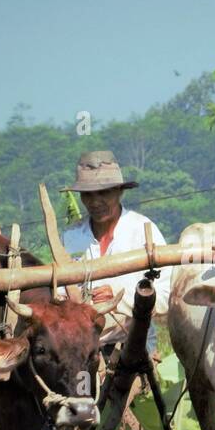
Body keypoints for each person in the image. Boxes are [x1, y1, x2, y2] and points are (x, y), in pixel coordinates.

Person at [60, 150, 170, 351]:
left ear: (119, 191)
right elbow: (58, 294)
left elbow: (165, 296)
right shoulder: (71, 236)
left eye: (103, 192)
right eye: (88, 194)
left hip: (133, 348)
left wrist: (119, 299)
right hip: (81, 349)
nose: (95, 202)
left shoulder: (142, 231)